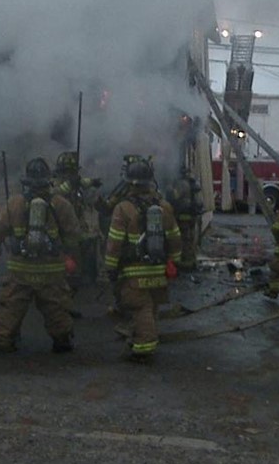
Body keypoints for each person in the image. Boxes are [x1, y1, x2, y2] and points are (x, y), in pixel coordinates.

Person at [0, 157, 81, 354]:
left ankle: (2, 340)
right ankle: (62, 340)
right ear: (48, 180)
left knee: (11, 306)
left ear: (26, 180)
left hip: (20, 269)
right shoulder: (61, 204)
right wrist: (67, 253)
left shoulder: (15, 202)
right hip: (51, 270)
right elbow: (74, 234)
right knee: (56, 307)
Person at [102, 158, 182, 362]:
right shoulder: (164, 206)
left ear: (129, 183)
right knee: (151, 306)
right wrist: (174, 262)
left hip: (134, 270)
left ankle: (144, 348)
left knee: (140, 308)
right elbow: (174, 237)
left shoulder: (123, 208)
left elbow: (115, 242)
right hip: (159, 268)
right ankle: (140, 338)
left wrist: (110, 268)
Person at [52, 150, 103, 315]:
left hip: (74, 234)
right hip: (60, 236)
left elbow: (83, 182)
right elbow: (56, 194)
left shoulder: (76, 183)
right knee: (63, 274)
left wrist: (93, 182)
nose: (71, 175)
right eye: (68, 172)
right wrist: (70, 184)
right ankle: (59, 307)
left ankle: (66, 305)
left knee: (75, 274)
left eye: (73, 172)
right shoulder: (54, 185)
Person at [165, 166, 201, 272]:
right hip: (191, 216)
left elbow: (175, 196)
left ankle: (186, 263)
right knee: (190, 239)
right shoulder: (191, 182)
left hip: (183, 217)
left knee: (184, 239)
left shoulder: (182, 184)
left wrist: (169, 188)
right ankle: (191, 261)